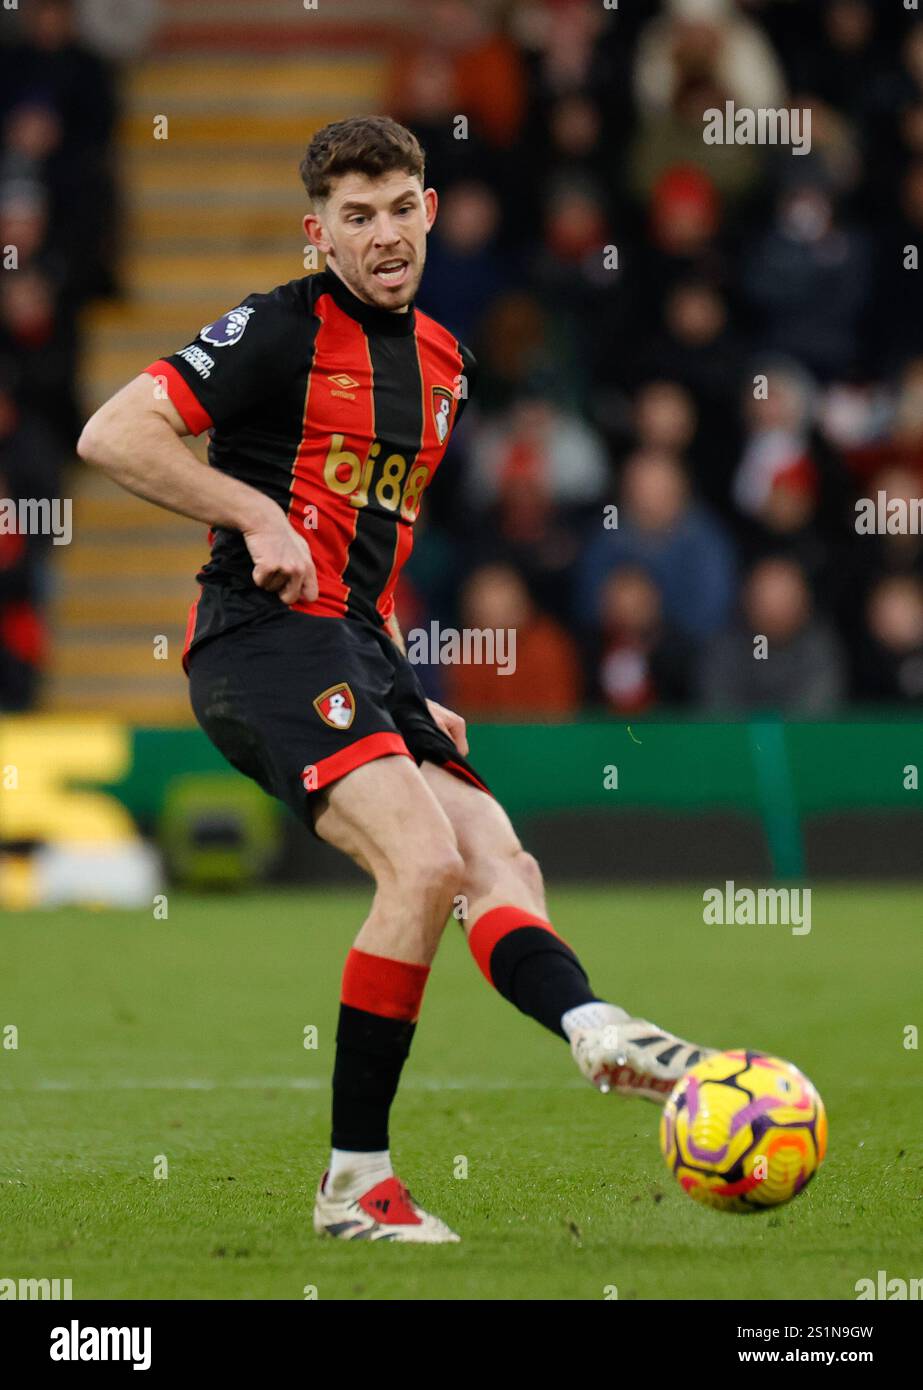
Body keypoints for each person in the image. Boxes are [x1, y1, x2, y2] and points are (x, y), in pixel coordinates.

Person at [77, 116, 710, 1245]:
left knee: (494, 853)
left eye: (398, 209)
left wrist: (395, 696)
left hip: (354, 647)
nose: (381, 236)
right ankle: (353, 1186)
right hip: (258, 639)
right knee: (419, 866)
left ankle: (592, 1025)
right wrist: (253, 509)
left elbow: (373, 543)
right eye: (353, 218)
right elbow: (112, 433)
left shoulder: (445, 366)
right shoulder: (278, 329)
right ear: (315, 234)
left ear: (430, 211)